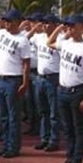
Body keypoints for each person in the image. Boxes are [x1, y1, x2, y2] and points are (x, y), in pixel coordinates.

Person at [47, 15, 83, 163]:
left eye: (72, 26)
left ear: (81, 27)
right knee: (67, 128)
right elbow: (49, 42)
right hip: (63, 90)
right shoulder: (65, 43)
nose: (69, 28)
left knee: (78, 128)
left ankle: (77, 160)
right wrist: (59, 29)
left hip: (78, 91)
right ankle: (69, 157)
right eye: (67, 26)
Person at [0, 9, 33, 159]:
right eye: (5, 21)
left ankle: (13, 147)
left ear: (17, 22)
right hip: (0, 78)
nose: (7, 24)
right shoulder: (1, 34)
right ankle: (5, 144)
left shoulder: (22, 40)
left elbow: (26, 64)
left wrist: (24, 83)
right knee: (3, 115)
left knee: (13, 116)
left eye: (9, 21)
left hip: (13, 80)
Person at [28, 15, 62, 152]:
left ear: (55, 25)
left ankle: (54, 140)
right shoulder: (39, 37)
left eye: (49, 23)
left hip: (53, 78)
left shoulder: (61, 40)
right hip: (40, 78)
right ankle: (44, 138)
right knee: (43, 111)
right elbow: (25, 38)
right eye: (44, 23)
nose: (45, 26)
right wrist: (34, 27)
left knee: (54, 112)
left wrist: (59, 29)